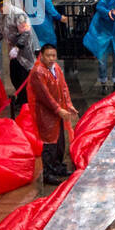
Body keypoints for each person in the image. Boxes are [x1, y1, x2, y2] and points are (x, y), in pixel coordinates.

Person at [28, 45, 78, 185]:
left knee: (60, 140)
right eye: (48, 56)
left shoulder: (56, 68)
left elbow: (63, 87)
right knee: (49, 143)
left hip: (58, 111)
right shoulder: (38, 72)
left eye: (53, 55)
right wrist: (58, 109)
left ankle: (58, 166)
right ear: (42, 56)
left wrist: (68, 104)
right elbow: (45, 96)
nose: (51, 59)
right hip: (46, 113)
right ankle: (48, 172)